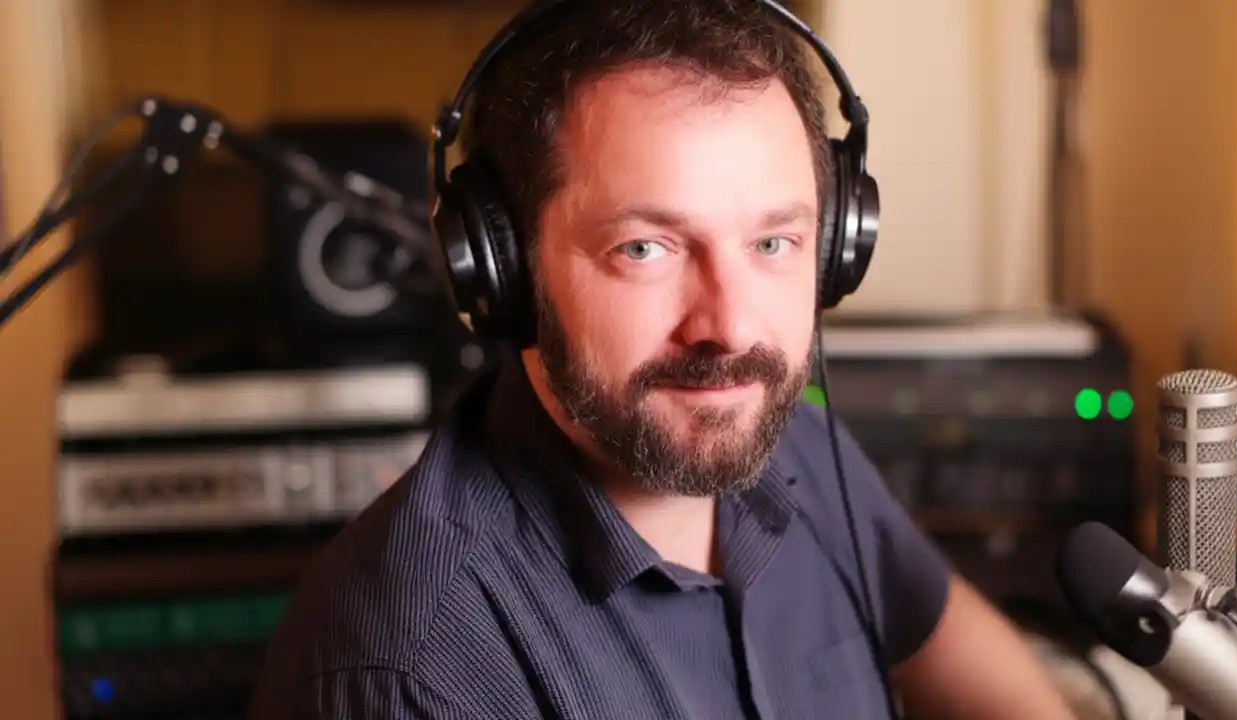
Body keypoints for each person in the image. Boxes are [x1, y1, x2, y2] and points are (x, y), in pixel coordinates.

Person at [250, 1, 1076, 717]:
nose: (727, 326)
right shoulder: (412, 672)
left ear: (835, 245)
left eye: (773, 242)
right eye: (646, 247)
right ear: (502, 268)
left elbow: (941, 629)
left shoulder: (793, 443)